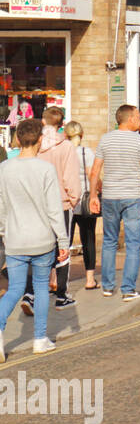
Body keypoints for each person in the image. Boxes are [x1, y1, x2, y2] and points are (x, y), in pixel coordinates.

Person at [0, 118, 69, 359]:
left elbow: (1, 207)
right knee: (41, 288)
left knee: (14, 289)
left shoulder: (4, 169)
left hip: (15, 239)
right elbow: (54, 209)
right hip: (42, 240)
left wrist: (3, 232)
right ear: (40, 140)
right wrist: (63, 241)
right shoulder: (45, 169)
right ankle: (40, 339)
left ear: (17, 139)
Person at [88, 104, 140, 302]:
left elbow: (94, 171)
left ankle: (107, 286)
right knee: (133, 244)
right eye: (138, 117)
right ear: (129, 119)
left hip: (110, 197)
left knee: (110, 242)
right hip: (132, 198)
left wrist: (93, 196)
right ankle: (128, 289)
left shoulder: (105, 139)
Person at [21, 106, 79, 313]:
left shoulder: (33, 145)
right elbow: (71, 178)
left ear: (43, 122)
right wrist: (73, 199)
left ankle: (30, 293)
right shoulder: (66, 147)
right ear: (62, 124)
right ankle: (61, 295)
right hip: (60, 204)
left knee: (34, 248)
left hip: (36, 204)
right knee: (62, 250)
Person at [64, 121, 100, 292]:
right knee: (88, 240)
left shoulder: (63, 152)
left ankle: (57, 279)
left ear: (66, 135)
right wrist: (98, 190)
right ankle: (90, 279)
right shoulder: (86, 153)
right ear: (82, 135)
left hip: (66, 202)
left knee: (64, 241)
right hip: (84, 202)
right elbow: (92, 175)